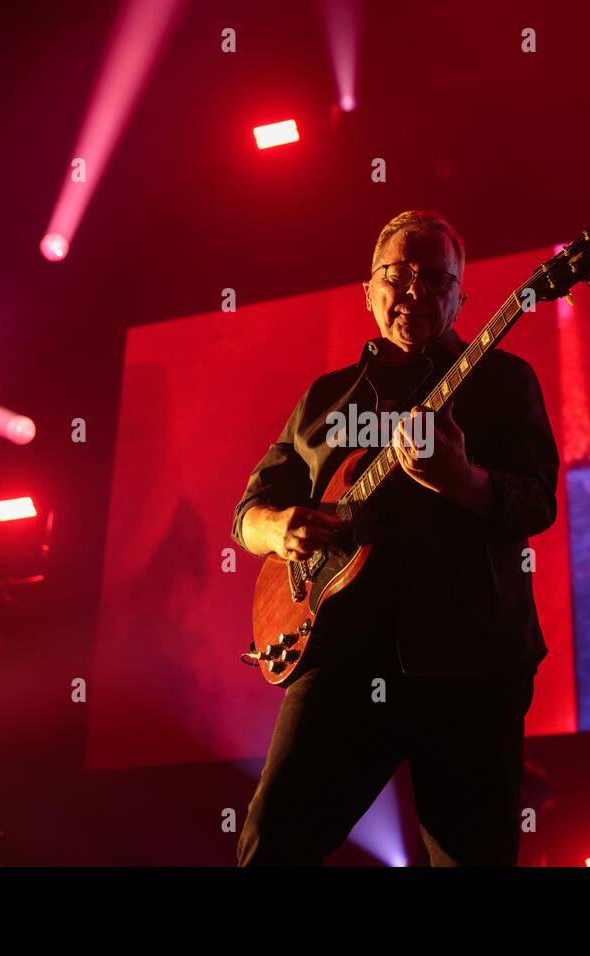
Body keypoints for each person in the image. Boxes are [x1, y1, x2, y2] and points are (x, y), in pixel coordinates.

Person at [231, 210, 559, 866]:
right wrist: (276, 527)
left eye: (436, 279)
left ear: (461, 297)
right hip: (342, 659)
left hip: (471, 663)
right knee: (269, 851)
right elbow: (249, 510)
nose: (415, 290)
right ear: (369, 290)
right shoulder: (325, 399)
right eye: (398, 275)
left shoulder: (502, 380)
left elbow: (538, 502)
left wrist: (463, 480)